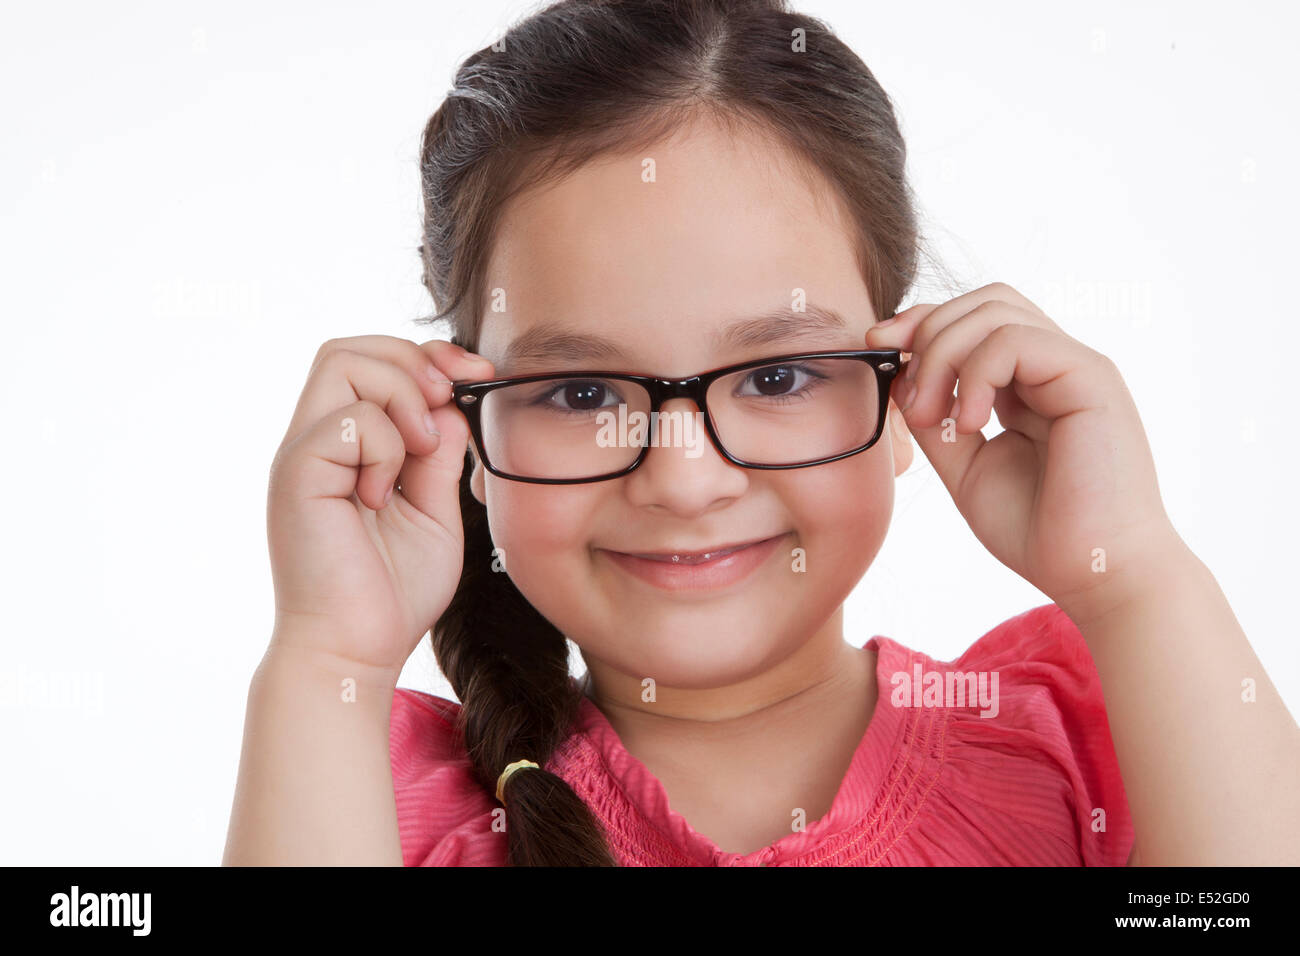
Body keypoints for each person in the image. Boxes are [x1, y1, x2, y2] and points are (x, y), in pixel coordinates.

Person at [223, 0, 1300, 866]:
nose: (684, 479)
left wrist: (1135, 573)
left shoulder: (1096, 736)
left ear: (905, 387)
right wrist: (326, 654)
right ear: (457, 421)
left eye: (777, 373)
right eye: (584, 393)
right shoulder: (376, 803)